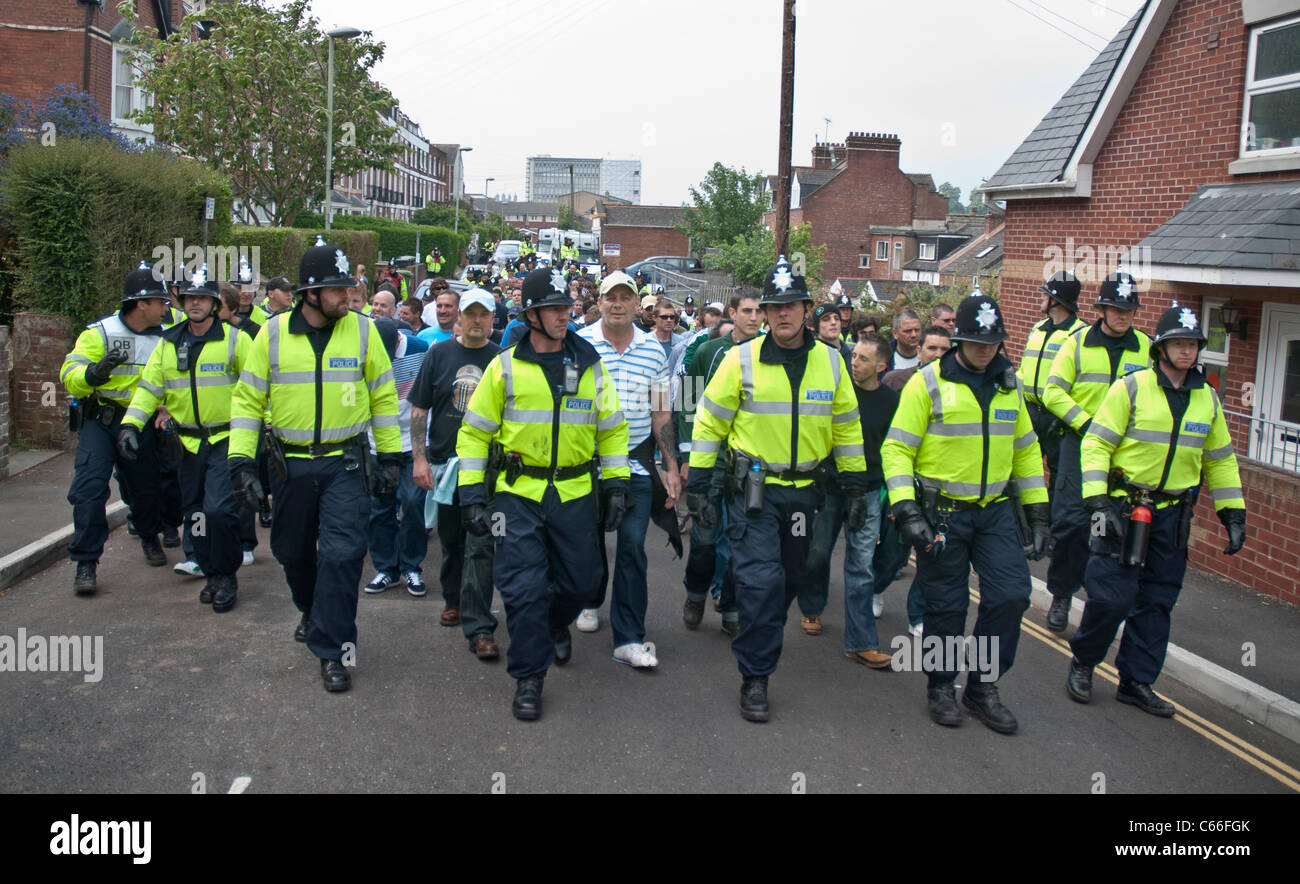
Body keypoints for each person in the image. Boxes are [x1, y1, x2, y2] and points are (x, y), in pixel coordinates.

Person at [686, 256, 868, 722]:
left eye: (791, 305)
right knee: (764, 583)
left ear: (806, 309)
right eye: (773, 306)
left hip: (806, 494)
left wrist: (854, 488)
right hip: (755, 494)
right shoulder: (738, 359)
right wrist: (701, 486)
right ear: (763, 313)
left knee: (793, 576)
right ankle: (756, 676)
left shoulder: (831, 362)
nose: (782, 313)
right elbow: (709, 423)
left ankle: (747, 606)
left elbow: (847, 428)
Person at [229, 237, 402, 693]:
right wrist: (242, 462)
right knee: (292, 552)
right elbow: (248, 400)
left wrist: (391, 458)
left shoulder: (363, 332)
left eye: (349, 289)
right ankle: (311, 609)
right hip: (290, 466)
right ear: (310, 293)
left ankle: (333, 649)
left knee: (344, 555)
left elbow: (383, 397)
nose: (348, 297)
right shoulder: (271, 334)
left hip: (346, 462)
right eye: (337, 290)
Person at [456, 267, 630, 720]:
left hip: (575, 491)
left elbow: (611, 430)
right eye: (552, 308)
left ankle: (556, 622)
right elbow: (474, 434)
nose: (563, 315)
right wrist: (472, 492)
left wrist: (615, 483)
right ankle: (529, 677)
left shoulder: (588, 364)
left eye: (566, 307)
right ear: (530, 315)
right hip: (517, 493)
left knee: (584, 582)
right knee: (523, 588)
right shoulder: (504, 367)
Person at [880, 291, 1050, 735]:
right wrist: (905, 508)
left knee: (1011, 595)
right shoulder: (928, 382)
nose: (984, 349)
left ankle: (982, 686)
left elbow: (1027, 451)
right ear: (958, 339)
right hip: (943, 515)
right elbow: (896, 448)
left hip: (994, 511)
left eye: (992, 342)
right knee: (946, 606)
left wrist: (1038, 513)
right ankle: (941, 686)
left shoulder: (1008, 384)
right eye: (976, 341)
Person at [1066, 303, 1245, 716]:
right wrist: (1096, 499)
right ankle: (1084, 662)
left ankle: (1136, 681)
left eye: (1193, 344)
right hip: (1123, 507)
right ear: (1160, 348)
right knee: (1112, 597)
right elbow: (1096, 443)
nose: (1187, 352)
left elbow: (1219, 459)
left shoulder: (1208, 399)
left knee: (1157, 601)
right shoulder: (1131, 387)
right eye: (1178, 344)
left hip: (1173, 515)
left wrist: (1233, 512)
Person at [119, 265, 250, 611]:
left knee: (219, 510)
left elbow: (258, 386)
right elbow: (149, 389)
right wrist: (131, 425)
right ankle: (210, 573)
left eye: (202, 298)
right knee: (195, 515)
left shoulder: (236, 339)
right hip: (186, 443)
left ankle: (227, 575)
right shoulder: (168, 342)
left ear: (214, 303)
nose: (194, 304)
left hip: (227, 437)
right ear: (181, 300)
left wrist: (264, 428)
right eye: (189, 297)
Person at [574, 272, 681, 665]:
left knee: (633, 547)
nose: (618, 303)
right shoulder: (579, 343)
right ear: (599, 301)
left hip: (635, 464)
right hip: (588, 463)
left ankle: (629, 638)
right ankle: (589, 599)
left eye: (626, 297)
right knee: (588, 544)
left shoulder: (655, 352)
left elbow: (662, 411)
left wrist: (670, 466)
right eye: (610, 297)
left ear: (639, 305)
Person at [1040, 269, 1151, 633]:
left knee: (1113, 525)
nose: (1123, 315)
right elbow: (1053, 391)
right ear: (1101, 308)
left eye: (1129, 310)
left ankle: (1102, 601)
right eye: (1116, 308)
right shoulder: (1076, 342)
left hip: (1124, 452)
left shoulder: (1147, 349)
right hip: (1080, 442)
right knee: (1071, 523)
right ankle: (1061, 594)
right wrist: (1088, 424)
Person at [61, 261, 174, 592]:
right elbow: (69, 374)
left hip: (140, 423)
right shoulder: (100, 333)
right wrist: (91, 376)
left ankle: (148, 533)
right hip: (102, 421)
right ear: (142, 304)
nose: (167, 307)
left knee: (145, 488)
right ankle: (85, 562)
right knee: (89, 490)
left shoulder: (166, 339)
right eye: (161, 302)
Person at [411, 289, 503, 659]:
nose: (477, 321)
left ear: (492, 319)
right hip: (444, 464)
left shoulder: (501, 360)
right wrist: (419, 459)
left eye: (484, 315)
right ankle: (452, 599)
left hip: (486, 469)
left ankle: (478, 624)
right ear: (459, 318)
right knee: (452, 542)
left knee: (481, 544)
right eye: (471, 314)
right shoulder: (439, 354)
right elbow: (420, 408)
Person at [678, 291, 763, 635]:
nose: (755, 317)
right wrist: (686, 457)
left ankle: (730, 604)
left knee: (741, 540)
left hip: (750, 464)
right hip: (710, 459)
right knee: (705, 537)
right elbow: (687, 403)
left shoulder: (769, 354)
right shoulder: (710, 352)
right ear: (732, 313)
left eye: (760, 311)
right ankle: (696, 592)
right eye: (747, 311)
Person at [795, 300, 856, 635]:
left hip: (851, 467)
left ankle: (862, 604)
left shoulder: (853, 357)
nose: (834, 322)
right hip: (818, 470)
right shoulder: (811, 359)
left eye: (837, 317)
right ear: (815, 326)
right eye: (826, 318)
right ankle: (812, 606)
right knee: (816, 548)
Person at [361, 317, 430, 600]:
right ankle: (386, 568)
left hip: (412, 441)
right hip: (378, 443)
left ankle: (411, 566)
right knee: (380, 507)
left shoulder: (420, 349)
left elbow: (429, 395)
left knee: (414, 504)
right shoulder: (363, 351)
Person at [1017, 270, 1088, 506]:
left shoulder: (1079, 334)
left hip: (1057, 418)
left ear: (1055, 300)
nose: (1041, 299)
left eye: (1045, 294)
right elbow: (1025, 371)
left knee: (1060, 479)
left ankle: (1054, 527)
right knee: (1023, 471)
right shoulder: (1038, 329)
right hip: (1029, 414)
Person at [883, 325, 950, 391]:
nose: (938, 354)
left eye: (944, 349)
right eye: (932, 348)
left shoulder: (957, 381)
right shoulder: (894, 380)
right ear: (919, 351)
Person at [885, 308, 923, 373]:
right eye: (908, 331)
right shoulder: (884, 358)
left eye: (917, 330)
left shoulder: (929, 355)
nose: (914, 335)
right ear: (895, 333)